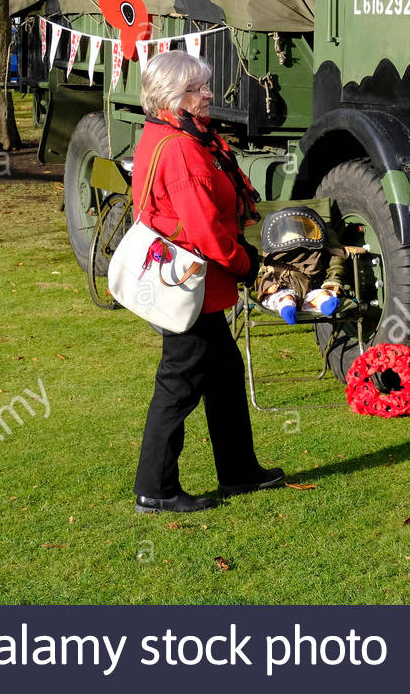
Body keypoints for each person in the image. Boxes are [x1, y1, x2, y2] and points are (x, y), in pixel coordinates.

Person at [132, 50, 284, 513]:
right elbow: (205, 232)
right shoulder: (181, 148)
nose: (209, 95)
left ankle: (238, 472)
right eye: (197, 89)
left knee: (224, 376)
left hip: (194, 286)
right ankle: (155, 490)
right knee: (178, 385)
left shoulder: (168, 134)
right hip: (191, 287)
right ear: (172, 98)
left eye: (205, 86)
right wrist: (248, 265)